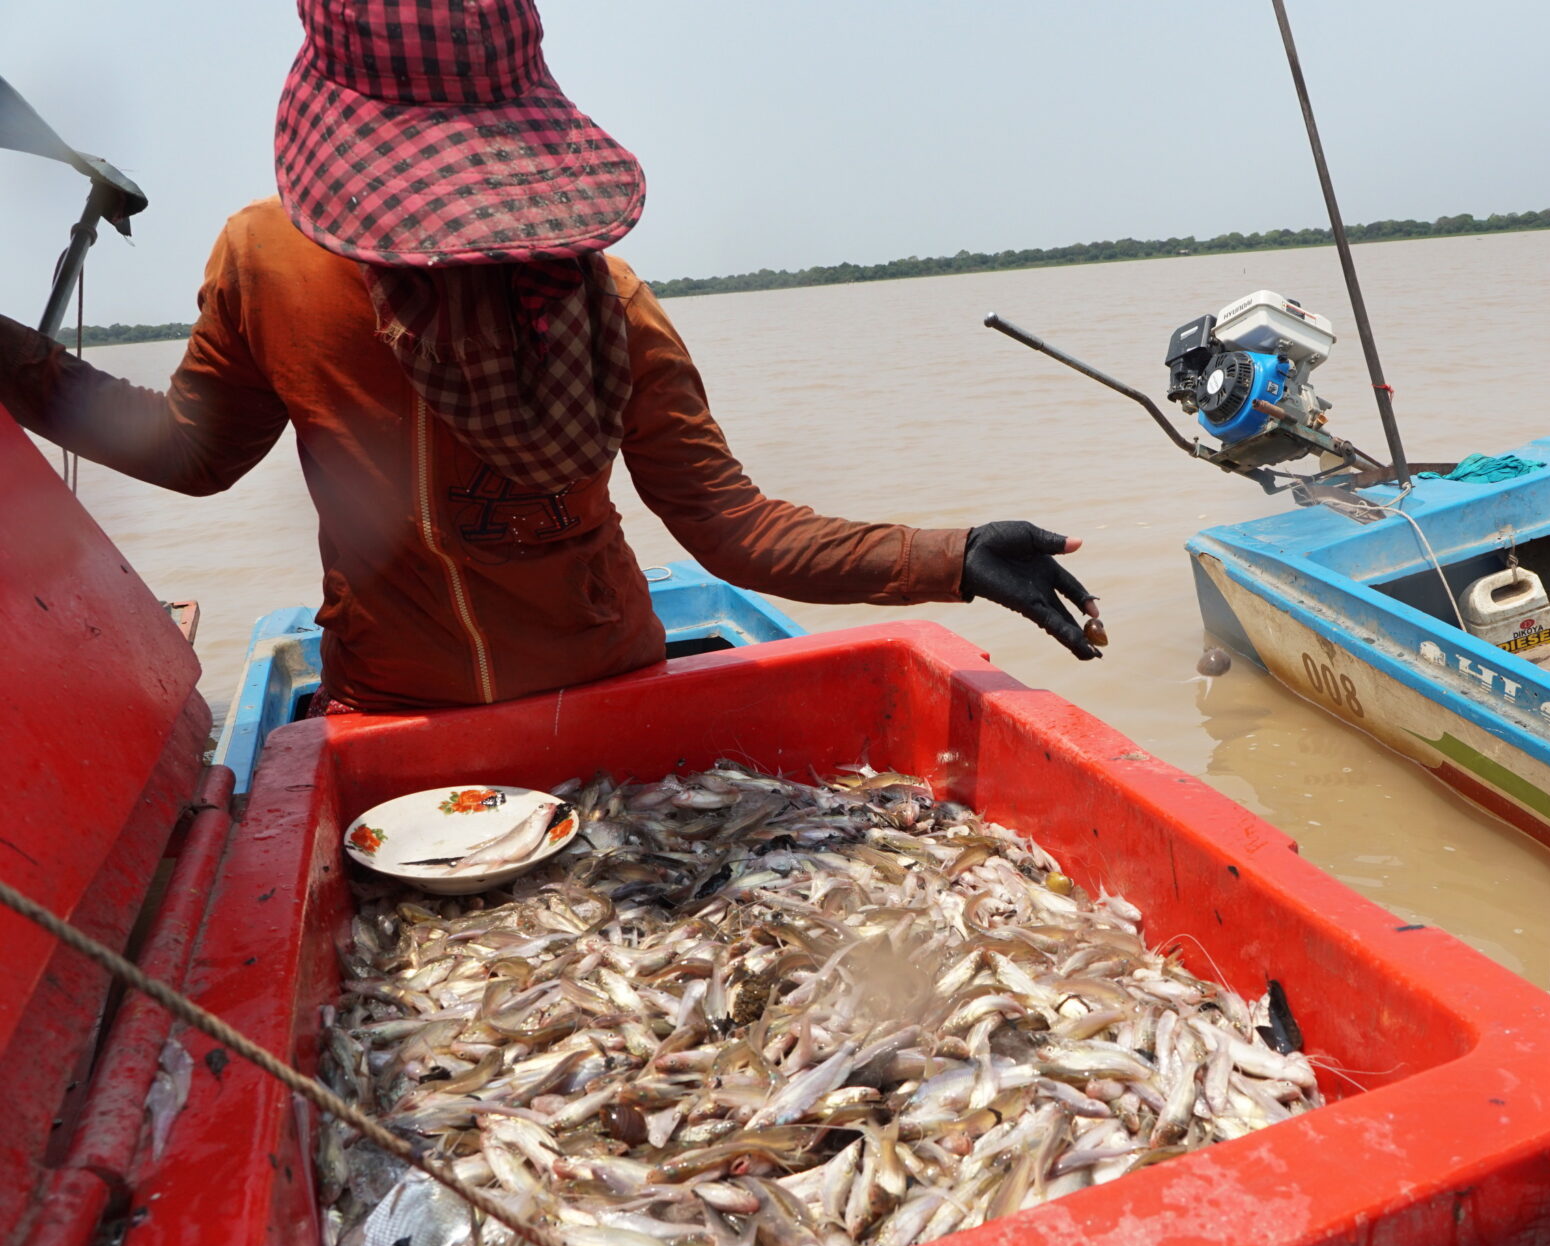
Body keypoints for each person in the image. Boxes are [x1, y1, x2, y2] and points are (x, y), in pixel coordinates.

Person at [0, 0, 1101, 714]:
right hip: (394, 713)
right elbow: (196, 452)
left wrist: (955, 556)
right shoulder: (268, 264)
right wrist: (15, 360)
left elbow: (731, 525)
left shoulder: (608, 305)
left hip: (611, 696)